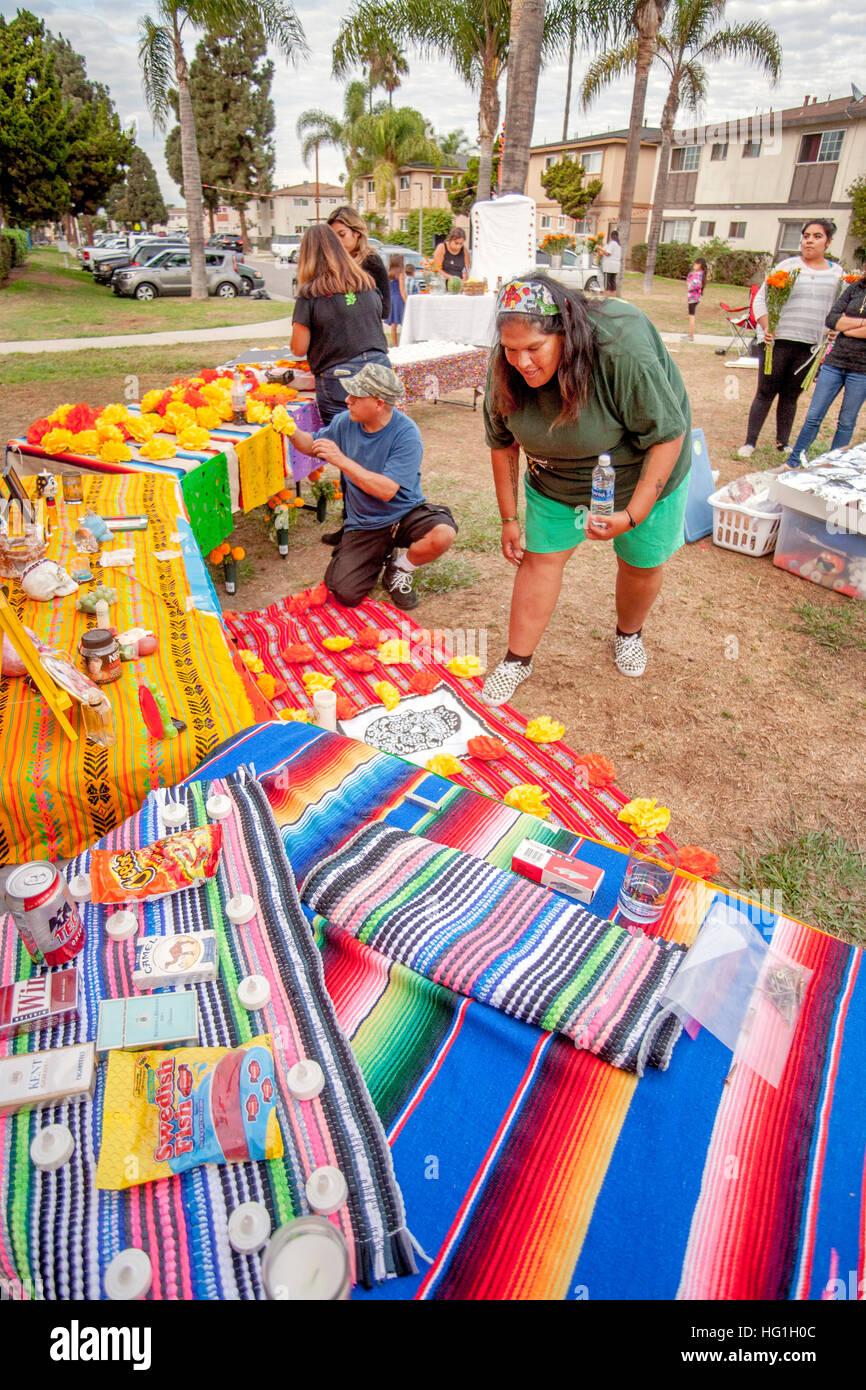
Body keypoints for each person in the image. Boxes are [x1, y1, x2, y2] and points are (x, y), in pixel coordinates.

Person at [481, 275, 691, 702]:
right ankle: (517, 660)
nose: (521, 361)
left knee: (640, 562)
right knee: (540, 561)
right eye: (510, 349)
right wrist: (508, 518)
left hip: (640, 471)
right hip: (557, 476)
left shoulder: (621, 346)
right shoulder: (507, 362)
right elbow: (503, 443)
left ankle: (628, 634)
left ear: (565, 331)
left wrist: (633, 514)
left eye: (534, 349)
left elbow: (667, 435)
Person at [289, 362, 458, 612]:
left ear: (378, 403)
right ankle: (379, 553)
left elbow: (386, 491)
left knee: (443, 534)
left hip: (404, 514)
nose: (347, 400)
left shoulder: (406, 434)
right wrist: (289, 429)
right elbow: (310, 444)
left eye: (355, 396)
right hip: (365, 522)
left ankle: (399, 569)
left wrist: (341, 460)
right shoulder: (345, 422)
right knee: (344, 592)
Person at [738, 220, 845, 458]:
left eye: (817, 236)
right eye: (806, 235)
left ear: (828, 242)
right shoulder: (787, 266)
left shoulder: (838, 274)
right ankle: (750, 442)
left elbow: (840, 309)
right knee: (765, 391)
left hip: (810, 346)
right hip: (777, 341)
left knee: (791, 395)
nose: (809, 240)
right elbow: (760, 300)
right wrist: (767, 326)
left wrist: (836, 327)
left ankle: (782, 442)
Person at [290, 223, 391, 426]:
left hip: (340, 379)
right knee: (379, 445)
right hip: (380, 369)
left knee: (344, 451)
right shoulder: (367, 283)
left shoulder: (310, 293)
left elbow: (298, 348)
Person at [789, 272, 866, 464]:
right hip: (835, 362)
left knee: (846, 422)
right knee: (814, 415)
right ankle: (794, 462)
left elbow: (839, 323)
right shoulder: (855, 288)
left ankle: (832, 466)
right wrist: (862, 323)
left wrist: (845, 326)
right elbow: (831, 319)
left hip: (862, 369)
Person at [326, 204, 390, 319]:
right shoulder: (329, 262)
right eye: (333, 237)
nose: (338, 241)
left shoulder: (372, 261)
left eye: (342, 234)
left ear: (357, 232)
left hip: (364, 331)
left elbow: (385, 309)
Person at [386, 253, 407, 347]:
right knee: (404, 321)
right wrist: (407, 302)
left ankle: (395, 345)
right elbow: (402, 290)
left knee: (394, 324)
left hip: (391, 298)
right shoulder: (401, 274)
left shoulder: (388, 273)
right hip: (398, 299)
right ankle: (405, 342)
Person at [685, 257, 708, 341]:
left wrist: (689, 286)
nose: (694, 265)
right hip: (693, 297)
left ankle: (691, 336)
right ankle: (690, 334)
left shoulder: (698, 274)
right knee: (690, 316)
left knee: (691, 316)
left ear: (700, 265)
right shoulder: (697, 273)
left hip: (693, 298)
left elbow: (696, 285)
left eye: (696, 264)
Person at [600, 231, 621, 297]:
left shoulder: (612, 243)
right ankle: (614, 297)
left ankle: (607, 297)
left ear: (611, 236)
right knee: (612, 282)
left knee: (607, 282)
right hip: (616, 266)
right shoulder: (619, 245)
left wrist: (600, 249)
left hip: (609, 266)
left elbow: (607, 253)